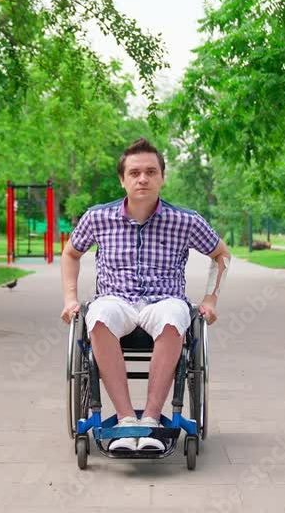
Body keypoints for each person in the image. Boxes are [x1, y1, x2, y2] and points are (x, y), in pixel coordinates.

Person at [60, 138, 231, 452]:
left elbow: (222, 255)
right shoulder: (97, 218)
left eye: (151, 172)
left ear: (162, 178)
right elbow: (71, 254)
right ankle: (126, 420)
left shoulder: (186, 221)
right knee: (98, 315)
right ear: (122, 179)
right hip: (115, 299)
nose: (143, 179)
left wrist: (210, 299)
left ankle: (151, 419)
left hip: (164, 300)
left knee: (174, 316)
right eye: (135, 172)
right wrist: (70, 298)